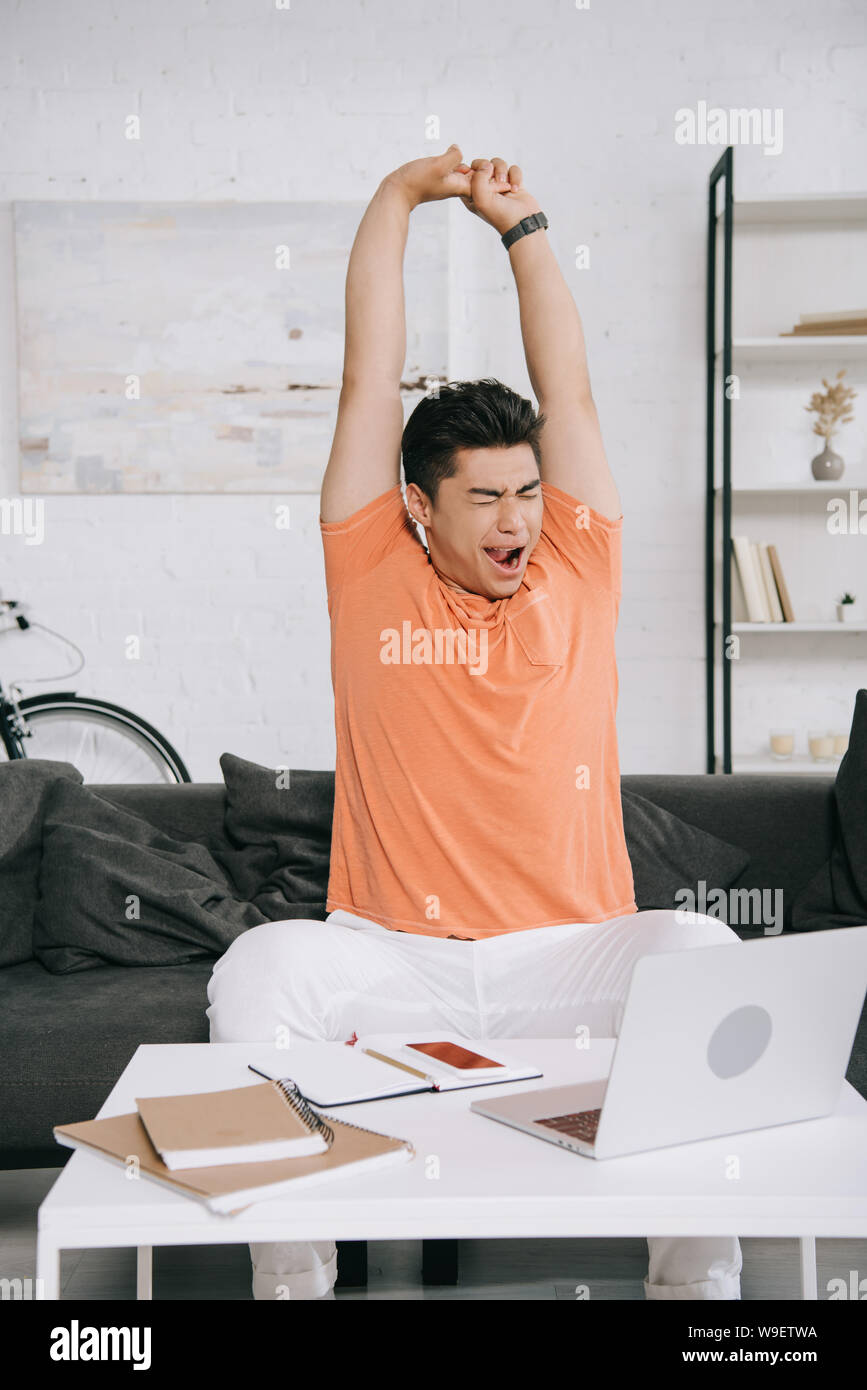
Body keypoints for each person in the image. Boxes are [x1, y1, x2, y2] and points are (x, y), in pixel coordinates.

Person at [207, 145, 743, 1301]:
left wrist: (524, 227)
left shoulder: (578, 564)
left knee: (700, 954)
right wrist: (399, 199)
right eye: (486, 497)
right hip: (394, 955)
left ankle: (698, 1304)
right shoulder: (369, 568)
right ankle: (295, 1286)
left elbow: (574, 395)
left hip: (569, 950)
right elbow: (367, 382)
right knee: (259, 970)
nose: (516, 520)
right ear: (419, 507)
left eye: (528, 491)